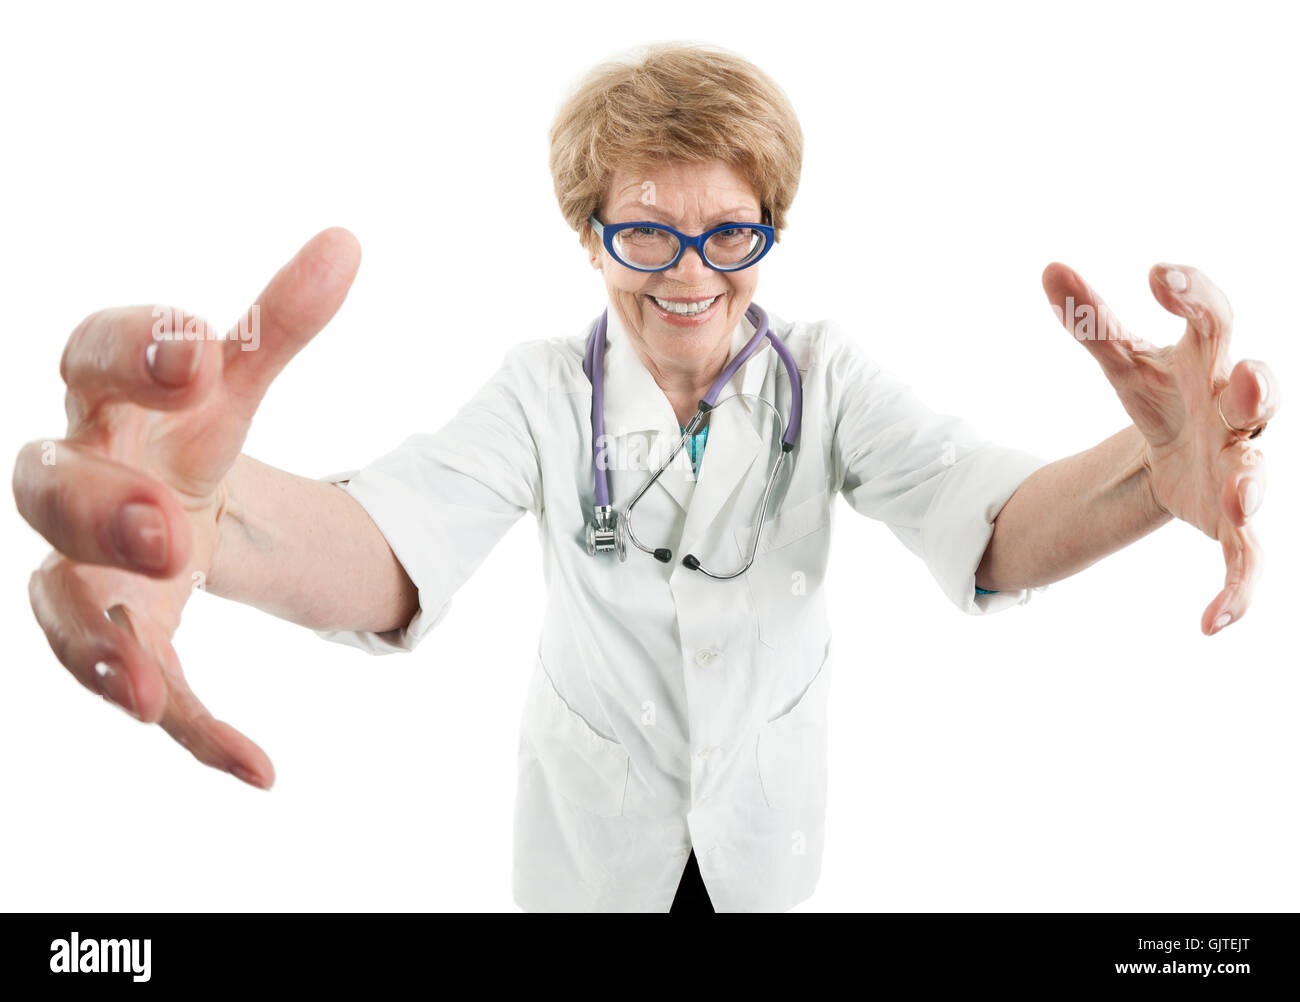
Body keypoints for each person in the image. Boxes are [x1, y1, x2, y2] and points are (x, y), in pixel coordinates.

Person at [12, 43, 1279, 913]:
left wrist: (1143, 477)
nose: (690, 270)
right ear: (587, 234)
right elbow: (385, 542)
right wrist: (208, 522)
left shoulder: (828, 380)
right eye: (645, 232)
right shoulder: (537, 392)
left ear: (771, 228)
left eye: (730, 232)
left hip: (766, 849)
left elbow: (985, 518)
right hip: (584, 858)